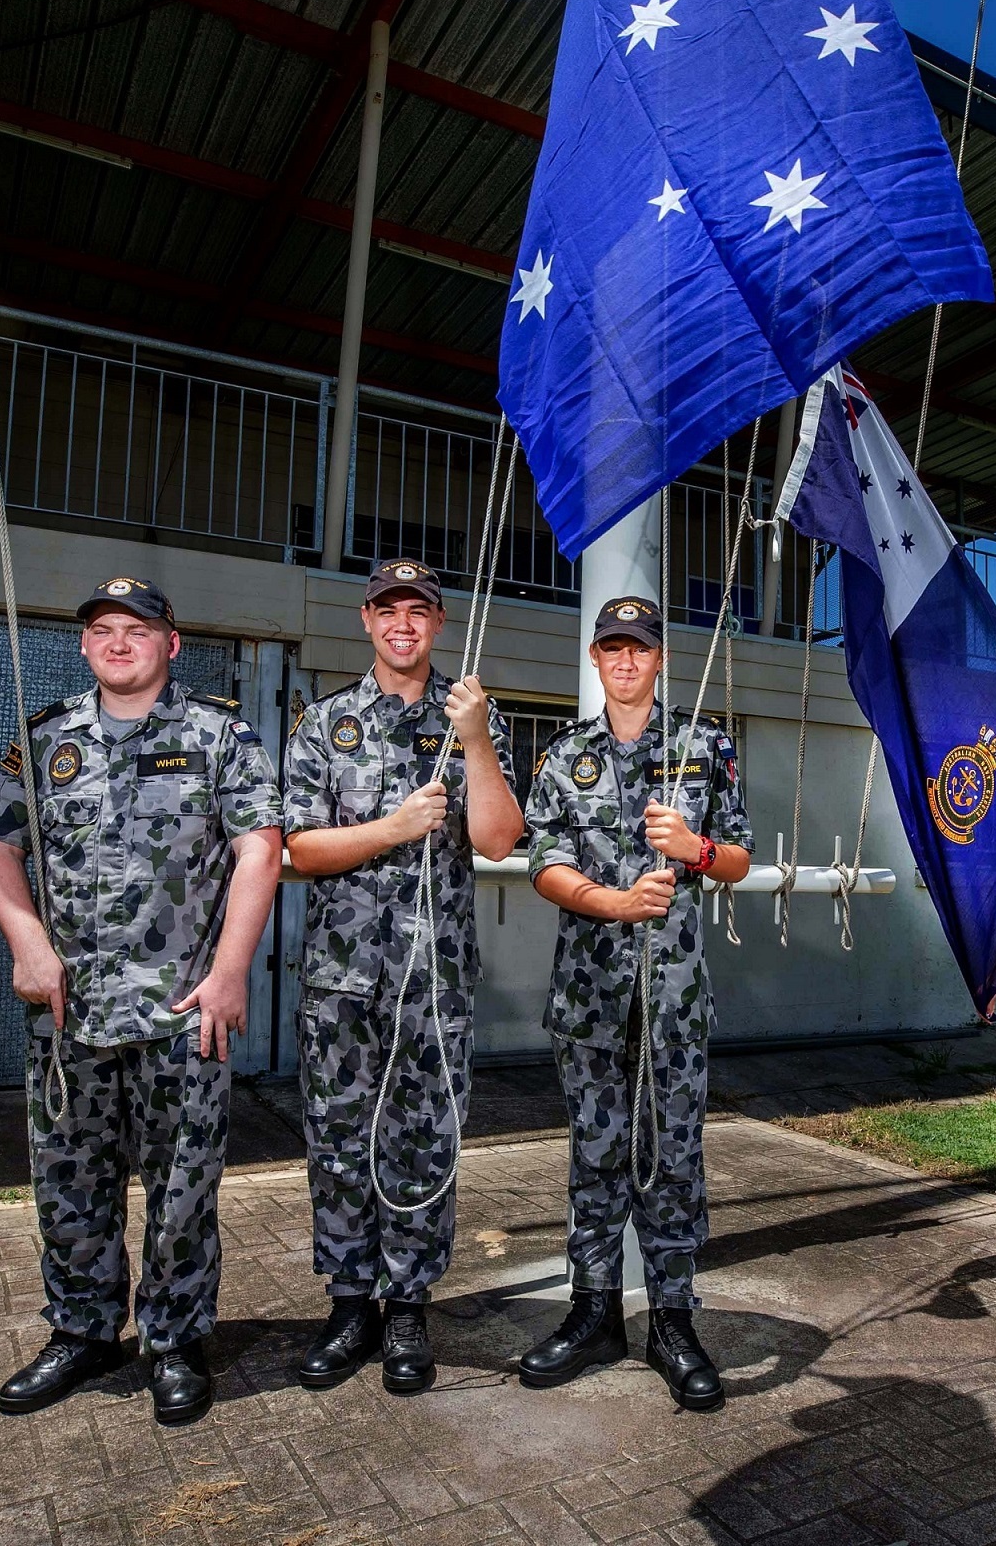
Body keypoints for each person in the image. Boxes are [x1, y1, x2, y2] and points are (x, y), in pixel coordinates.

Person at [0, 578, 282, 1426]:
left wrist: (231, 970)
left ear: (169, 646)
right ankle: (81, 1334)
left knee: (183, 1187)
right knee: (68, 1184)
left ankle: (176, 1342)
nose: (117, 642)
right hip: (67, 1011)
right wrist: (26, 941)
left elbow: (261, 848)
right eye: (102, 630)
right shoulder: (45, 739)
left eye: (136, 631)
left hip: (184, 1010)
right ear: (82, 646)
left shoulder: (218, 733)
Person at [282, 558, 522, 1395]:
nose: (403, 625)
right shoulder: (324, 723)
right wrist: (391, 827)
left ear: (438, 624)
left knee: (426, 1139)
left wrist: (480, 740)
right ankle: (351, 1303)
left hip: (434, 980)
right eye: (389, 611)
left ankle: (410, 1302)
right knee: (340, 1139)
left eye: (418, 612)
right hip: (342, 980)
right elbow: (300, 849)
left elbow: (497, 841)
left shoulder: (472, 714)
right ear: (367, 621)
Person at [518, 595, 752, 1411]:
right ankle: (592, 1310)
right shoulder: (564, 754)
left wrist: (697, 849)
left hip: (672, 1002)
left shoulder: (703, 746)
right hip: (587, 999)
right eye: (612, 648)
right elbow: (543, 864)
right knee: (595, 1157)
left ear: (659, 658)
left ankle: (674, 1319)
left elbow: (740, 860)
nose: (625, 661)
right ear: (595, 659)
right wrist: (615, 903)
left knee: (674, 1161)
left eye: (639, 649)